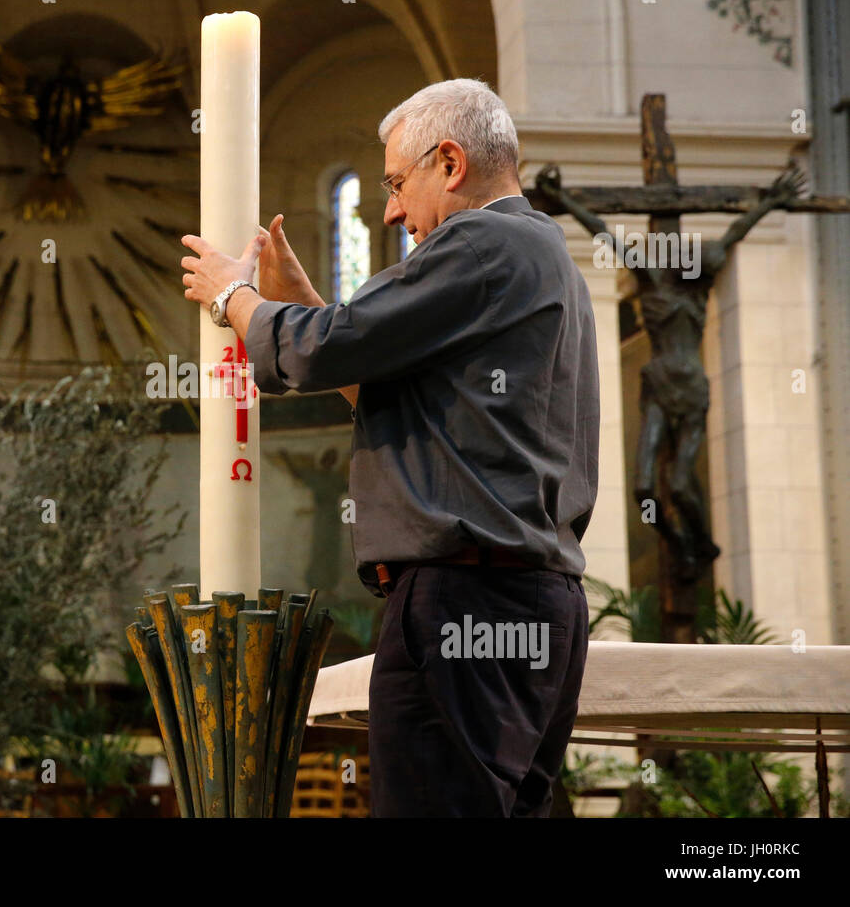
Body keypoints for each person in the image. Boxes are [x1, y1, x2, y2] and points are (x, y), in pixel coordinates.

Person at [179, 78, 599, 817]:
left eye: (398, 183)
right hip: (538, 600)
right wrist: (304, 309)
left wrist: (231, 297)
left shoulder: (479, 240)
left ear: (450, 162)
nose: (392, 210)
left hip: (466, 597)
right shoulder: (543, 254)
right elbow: (386, 386)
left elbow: (326, 349)